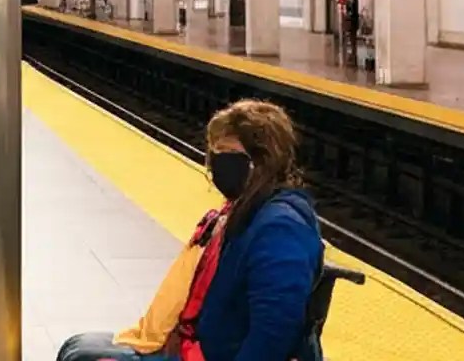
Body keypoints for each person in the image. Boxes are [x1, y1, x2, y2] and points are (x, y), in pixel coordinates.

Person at [57, 100, 324, 361]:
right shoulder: (245, 210)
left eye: (228, 154)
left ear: (262, 161)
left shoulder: (281, 228)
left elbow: (274, 332)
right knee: (75, 348)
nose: (218, 164)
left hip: (214, 354)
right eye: (215, 153)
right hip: (200, 345)